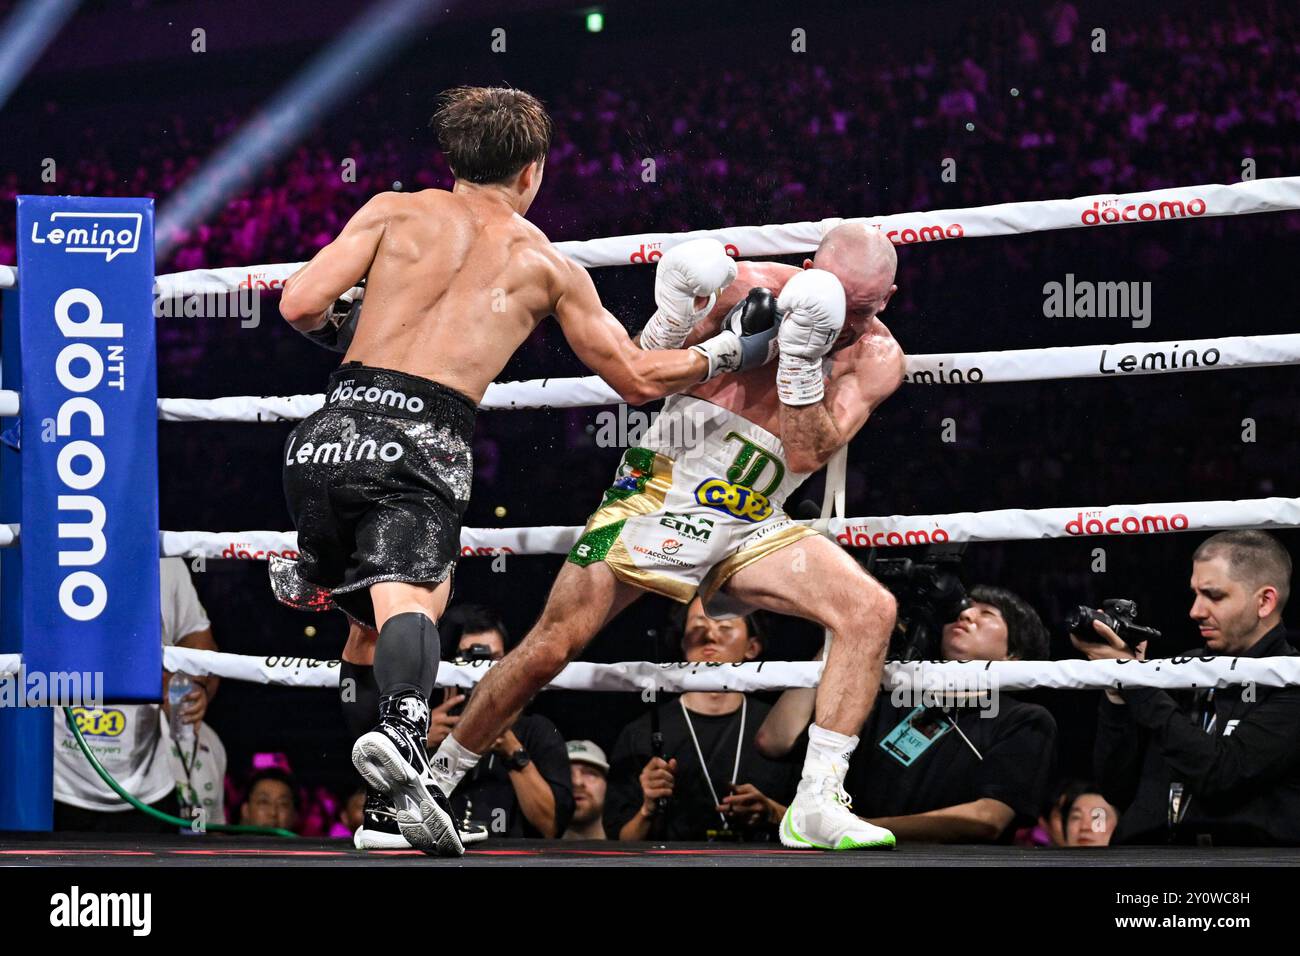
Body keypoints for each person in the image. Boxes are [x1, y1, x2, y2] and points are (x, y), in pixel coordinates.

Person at [277, 86, 756, 856]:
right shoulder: (547, 264)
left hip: (325, 435)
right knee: (416, 602)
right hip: (422, 437)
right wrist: (732, 352)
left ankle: (380, 814)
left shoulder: (393, 210)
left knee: (365, 628)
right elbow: (635, 377)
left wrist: (359, 331)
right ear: (532, 171)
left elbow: (299, 305)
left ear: (452, 159)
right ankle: (404, 735)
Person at [434, 222, 909, 851]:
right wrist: (688, 325)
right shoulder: (745, 287)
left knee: (870, 609)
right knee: (553, 644)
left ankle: (817, 800)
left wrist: (797, 359)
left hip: (754, 509)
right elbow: (641, 372)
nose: (846, 321)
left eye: (864, 308)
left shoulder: (877, 357)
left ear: (890, 298)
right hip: (661, 484)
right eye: (839, 302)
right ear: (808, 267)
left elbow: (807, 448)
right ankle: (432, 786)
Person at [757, 585, 1057, 843]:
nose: (965, 615)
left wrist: (856, 826)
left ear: (1013, 654)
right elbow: (775, 740)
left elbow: (989, 818)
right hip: (852, 861)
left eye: (987, 613)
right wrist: (839, 640)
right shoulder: (887, 693)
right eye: (963, 609)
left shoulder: (1023, 719)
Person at [1082, 530, 1300, 845]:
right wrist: (1117, 690)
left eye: (1214, 595)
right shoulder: (1181, 669)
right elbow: (1115, 787)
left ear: (1265, 601)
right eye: (1195, 594)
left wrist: (1136, 682)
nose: (1195, 611)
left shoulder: (1292, 680)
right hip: (1142, 861)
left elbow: (1221, 774)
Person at [603, 600, 796, 841]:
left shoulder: (780, 731)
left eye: (724, 626)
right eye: (698, 626)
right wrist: (648, 809)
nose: (710, 635)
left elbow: (817, 825)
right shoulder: (639, 733)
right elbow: (621, 844)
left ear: (752, 647)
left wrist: (773, 813)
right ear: (683, 641)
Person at [53, 558, 220, 832]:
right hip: (57, 784)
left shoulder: (165, 560)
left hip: (145, 786)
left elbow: (199, 640)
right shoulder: (55, 546)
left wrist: (193, 684)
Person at [563, 740, 610, 840]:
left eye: (590, 773)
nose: (577, 782)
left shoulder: (628, 851)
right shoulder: (536, 851)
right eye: (567, 773)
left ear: (607, 785)